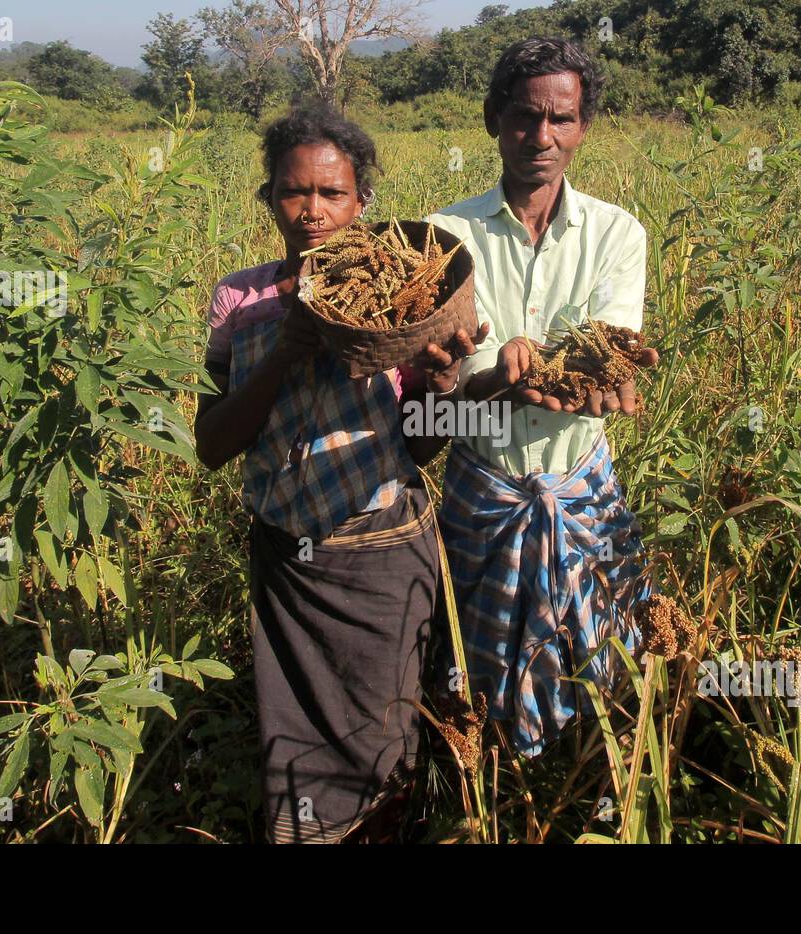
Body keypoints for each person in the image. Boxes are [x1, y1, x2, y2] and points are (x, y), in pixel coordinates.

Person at [195, 102, 485, 842]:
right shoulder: (240, 301)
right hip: (285, 561)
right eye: (296, 192)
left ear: (363, 203)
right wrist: (288, 348)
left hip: (380, 553)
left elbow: (421, 448)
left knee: (383, 743)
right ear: (269, 199)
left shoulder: (395, 299)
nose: (314, 212)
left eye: (333, 195)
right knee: (295, 745)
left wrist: (442, 382)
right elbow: (212, 443)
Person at [426, 37, 660, 757]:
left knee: (598, 660)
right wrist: (502, 370)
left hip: (581, 482)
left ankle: (586, 778)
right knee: (476, 664)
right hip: (485, 489)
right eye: (525, 117)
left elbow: (607, 346)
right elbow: (445, 376)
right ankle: (487, 781)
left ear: (583, 126)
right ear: (494, 119)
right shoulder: (445, 233)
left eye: (562, 119)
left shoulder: (617, 233)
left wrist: (574, 373)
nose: (543, 137)